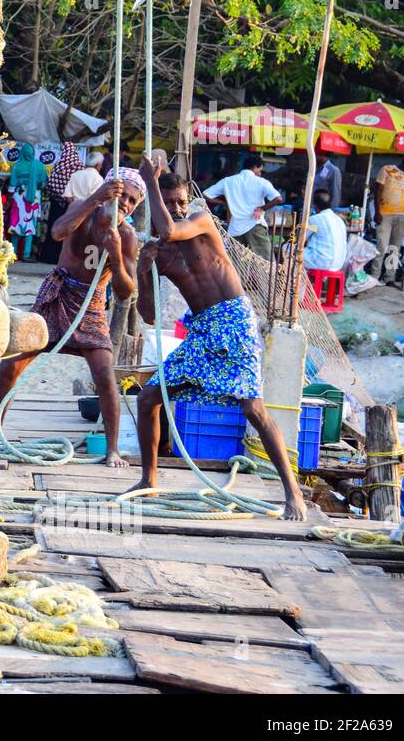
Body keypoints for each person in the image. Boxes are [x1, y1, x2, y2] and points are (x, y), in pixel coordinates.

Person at [134, 159, 305, 519]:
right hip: (201, 328)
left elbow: (167, 227)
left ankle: (293, 493)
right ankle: (149, 479)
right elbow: (148, 315)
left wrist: (150, 180)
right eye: (171, 202)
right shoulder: (159, 250)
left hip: (234, 318)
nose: (179, 208)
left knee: (253, 408)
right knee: (149, 396)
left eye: (181, 201)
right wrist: (143, 268)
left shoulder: (200, 220)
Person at [0, 168, 141, 465]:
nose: (124, 202)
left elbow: (126, 290)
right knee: (13, 362)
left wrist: (115, 256)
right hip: (57, 295)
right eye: (121, 193)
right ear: (109, 189)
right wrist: (97, 197)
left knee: (104, 372)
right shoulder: (83, 208)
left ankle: (112, 449)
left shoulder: (126, 236)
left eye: (132, 200)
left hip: (92, 304)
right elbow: (59, 232)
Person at [202, 153, 282, 260]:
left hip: (235, 228)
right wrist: (262, 209)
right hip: (255, 224)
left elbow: (206, 194)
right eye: (260, 170)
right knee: (267, 263)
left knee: (235, 264)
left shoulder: (228, 181)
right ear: (255, 167)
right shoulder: (261, 182)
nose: (260, 173)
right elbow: (278, 198)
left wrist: (225, 203)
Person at [373, 156, 404, 282]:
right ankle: (374, 277)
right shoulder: (387, 170)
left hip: (402, 215)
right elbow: (377, 190)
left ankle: (389, 278)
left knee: (395, 249)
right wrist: (377, 212)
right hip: (384, 214)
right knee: (381, 247)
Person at [302, 189, 348, 273]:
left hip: (324, 262)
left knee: (288, 250)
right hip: (339, 264)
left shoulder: (314, 219)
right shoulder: (339, 219)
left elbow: (299, 240)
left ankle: (292, 284)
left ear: (315, 205)